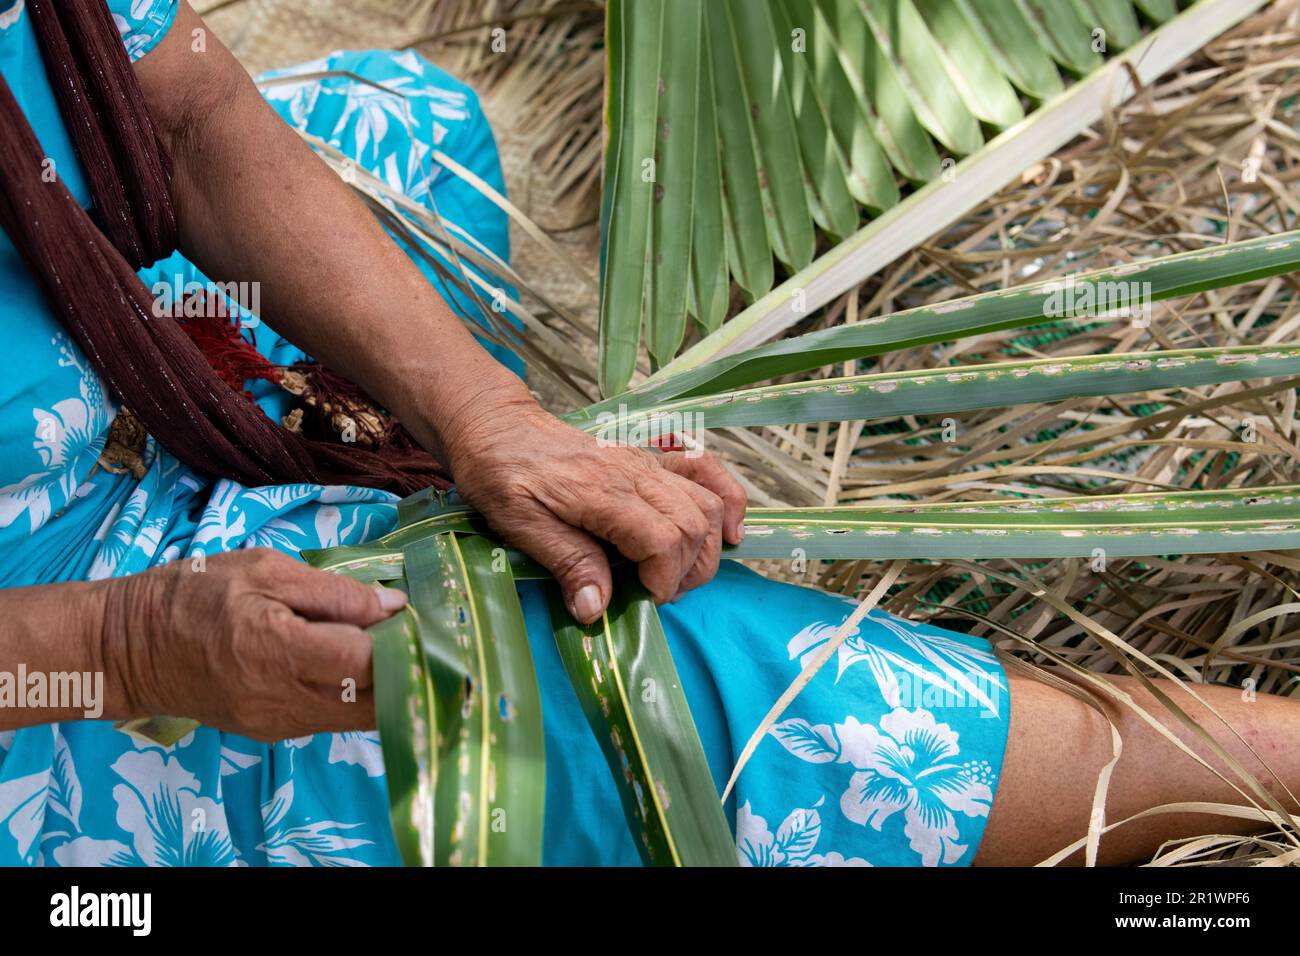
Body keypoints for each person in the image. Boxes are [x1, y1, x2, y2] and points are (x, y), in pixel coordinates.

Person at [0, 0, 1294, 868]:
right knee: (646, 684)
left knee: (408, 137)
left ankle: (384, 499)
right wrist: (131, 648)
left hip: (88, 364)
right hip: (42, 667)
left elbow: (183, 110)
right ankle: (1260, 760)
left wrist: (489, 418)